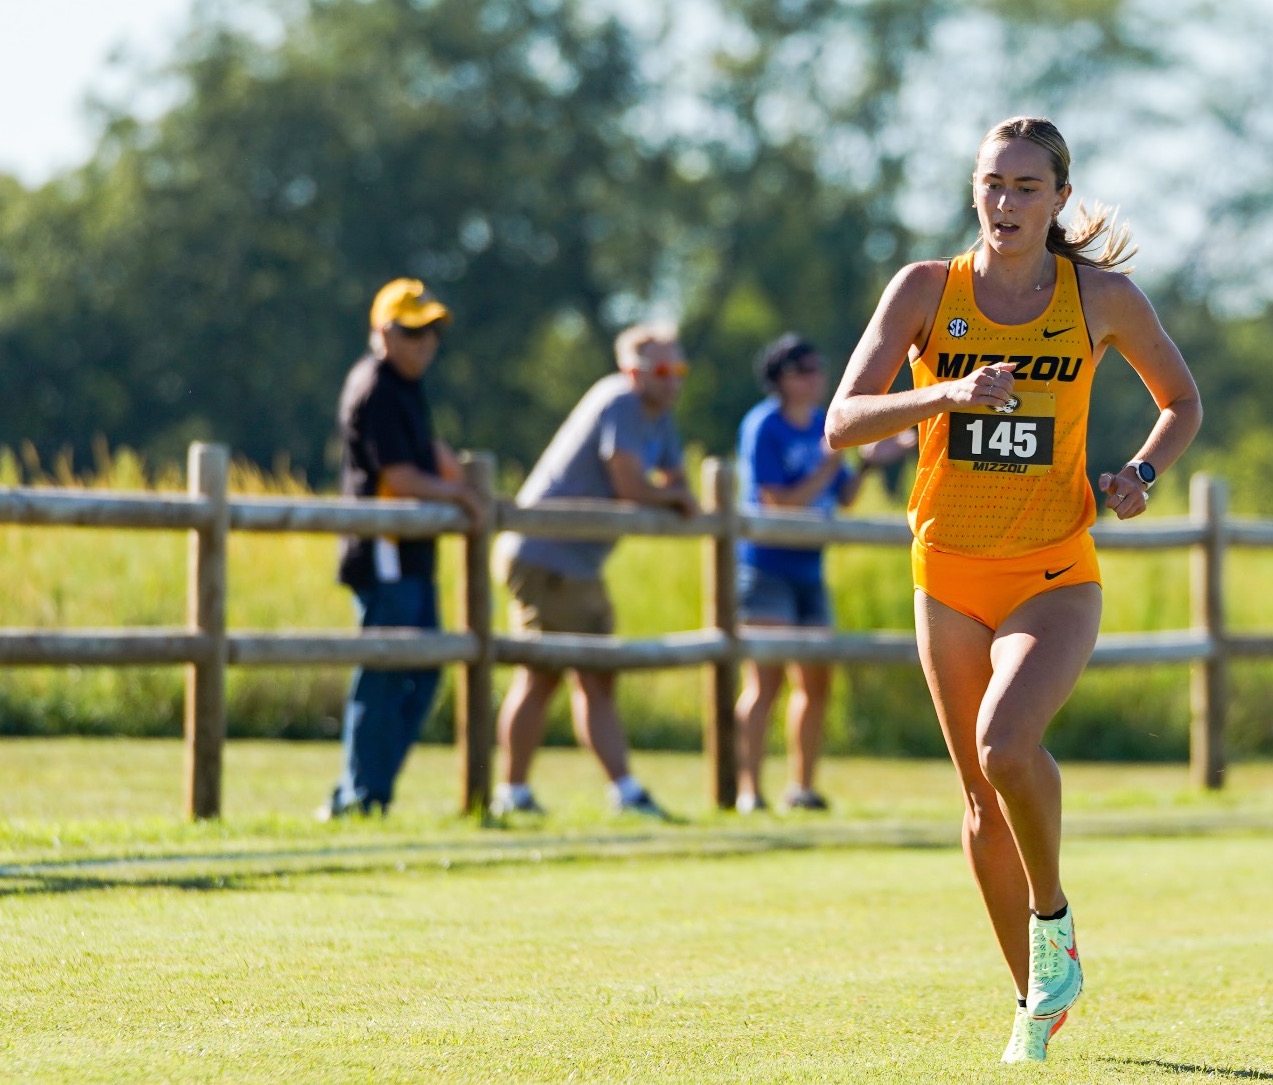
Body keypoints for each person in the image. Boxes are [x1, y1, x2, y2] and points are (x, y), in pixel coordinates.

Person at [824, 117, 1201, 1063]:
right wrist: (942, 395)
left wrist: (1139, 478)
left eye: (1027, 187)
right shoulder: (925, 290)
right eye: (992, 183)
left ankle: (1052, 915)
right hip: (945, 574)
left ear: (1059, 199)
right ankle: (1038, 997)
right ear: (974, 193)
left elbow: (1180, 401)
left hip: (1052, 573)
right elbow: (841, 422)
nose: (1005, 201)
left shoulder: (1101, 298)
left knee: (1005, 743)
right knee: (979, 804)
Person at [490, 324, 698, 820]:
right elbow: (631, 484)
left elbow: (676, 479)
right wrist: (672, 496)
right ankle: (513, 792)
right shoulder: (621, 401)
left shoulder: (657, 412)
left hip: (579, 563)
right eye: (663, 371)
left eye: (680, 371)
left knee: (598, 679)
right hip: (544, 555)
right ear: (633, 372)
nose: (674, 382)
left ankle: (622, 791)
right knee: (542, 677)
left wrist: (674, 491)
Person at [325, 278, 487, 819]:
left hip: (412, 553)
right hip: (383, 552)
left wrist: (458, 477)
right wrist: (463, 495)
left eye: (432, 332)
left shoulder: (405, 385)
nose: (425, 344)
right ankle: (360, 796)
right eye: (413, 331)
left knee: (425, 670)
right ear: (382, 332)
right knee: (386, 670)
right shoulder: (375, 387)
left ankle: (365, 793)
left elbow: (427, 454)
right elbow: (401, 476)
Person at [731, 335, 908, 815]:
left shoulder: (818, 425)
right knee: (764, 684)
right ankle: (748, 791)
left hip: (809, 570)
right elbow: (776, 502)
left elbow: (843, 496)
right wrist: (833, 455)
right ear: (782, 377)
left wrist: (868, 463)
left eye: (818, 366)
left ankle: (802, 789)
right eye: (806, 369)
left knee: (816, 684)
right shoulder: (763, 425)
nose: (817, 377)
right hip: (764, 569)